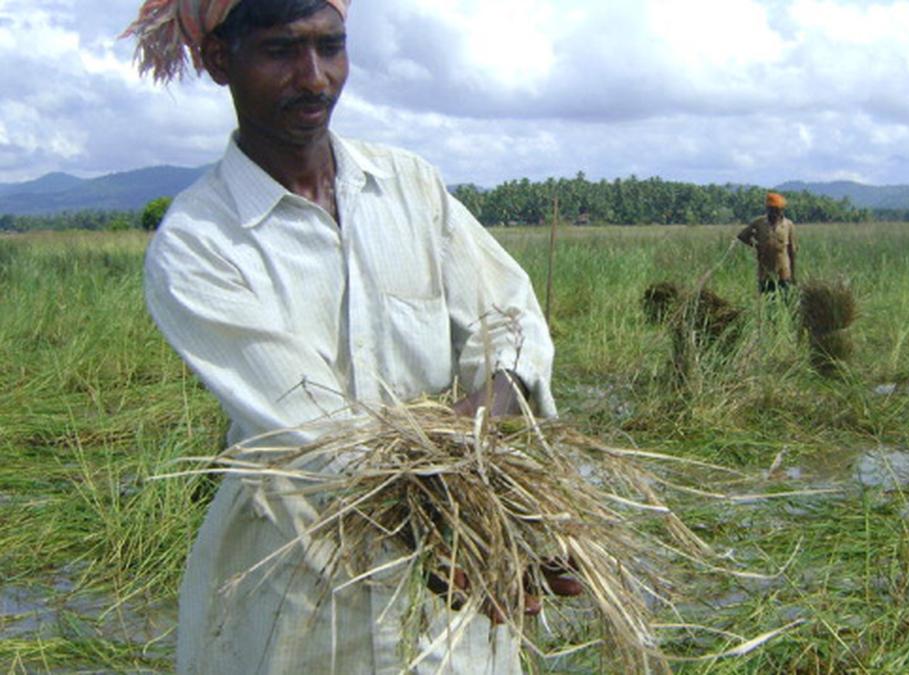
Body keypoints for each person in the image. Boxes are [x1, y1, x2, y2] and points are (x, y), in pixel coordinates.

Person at [124, 0, 577, 672]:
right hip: (300, 584)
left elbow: (511, 319)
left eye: (330, 46)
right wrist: (455, 515)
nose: (315, 78)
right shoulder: (198, 245)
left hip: (455, 587)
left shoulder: (410, 188)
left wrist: (486, 432)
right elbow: (321, 434)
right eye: (281, 51)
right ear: (222, 60)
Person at [737, 192, 796, 295]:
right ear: (767, 209)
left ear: (782, 210)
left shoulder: (788, 225)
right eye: (771, 209)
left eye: (777, 210)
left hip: (783, 272)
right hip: (765, 272)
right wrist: (756, 246)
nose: (774, 213)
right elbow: (742, 236)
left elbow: (792, 250)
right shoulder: (759, 223)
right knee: (766, 300)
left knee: (784, 300)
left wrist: (793, 274)